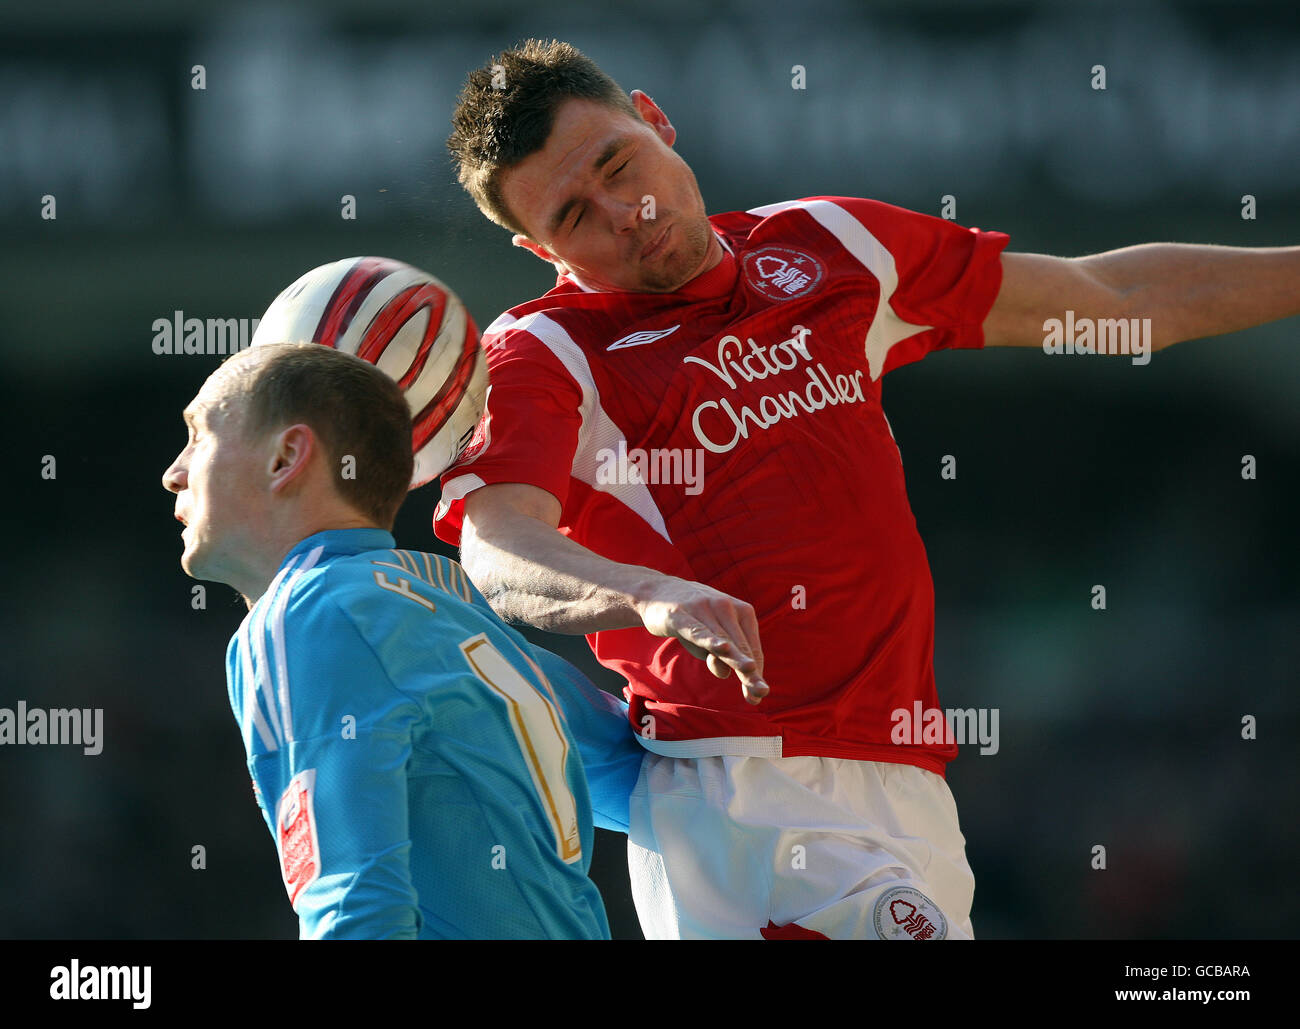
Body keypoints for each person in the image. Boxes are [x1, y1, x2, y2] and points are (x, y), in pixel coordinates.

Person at [436, 39, 1300, 939]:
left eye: (620, 163)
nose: (624, 212)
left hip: (909, 788)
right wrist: (646, 594)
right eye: (576, 214)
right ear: (539, 248)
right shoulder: (546, 351)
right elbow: (496, 547)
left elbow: (1107, 297)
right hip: (747, 797)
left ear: (655, 118)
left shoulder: (830, 244)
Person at [161, 342, 643, 939]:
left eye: (198, 436)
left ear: (286, 456)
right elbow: (642, 782)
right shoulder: (442, 596)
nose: (173, 473)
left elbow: (356, 904)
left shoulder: (310, 611)